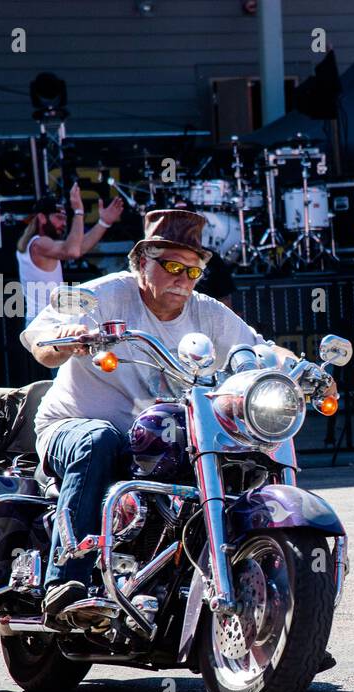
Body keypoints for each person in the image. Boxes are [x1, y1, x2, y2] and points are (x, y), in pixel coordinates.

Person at [19, 209, 310, 627]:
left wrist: (302, 370)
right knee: (99, 440)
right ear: (141, 263)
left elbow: (259, 350)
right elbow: (41, 339)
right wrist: (68, 340)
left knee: (235, 456)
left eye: (193, 272)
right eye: (172, 266)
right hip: (73, 426)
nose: (183, 280)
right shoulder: (103, 294)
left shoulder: (206, 312)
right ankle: (66, 583)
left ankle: (285, 621)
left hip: (157, 435)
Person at [16, 184, 124, 325]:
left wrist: (104, 223)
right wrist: (78, 211)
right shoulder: (39, 244)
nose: (64, 223)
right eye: (59, 218)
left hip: (49, 320)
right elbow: (73, 251)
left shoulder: (39, 244)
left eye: (65, 219)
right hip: (44, 323)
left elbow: (79, 248)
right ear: (42, 218)